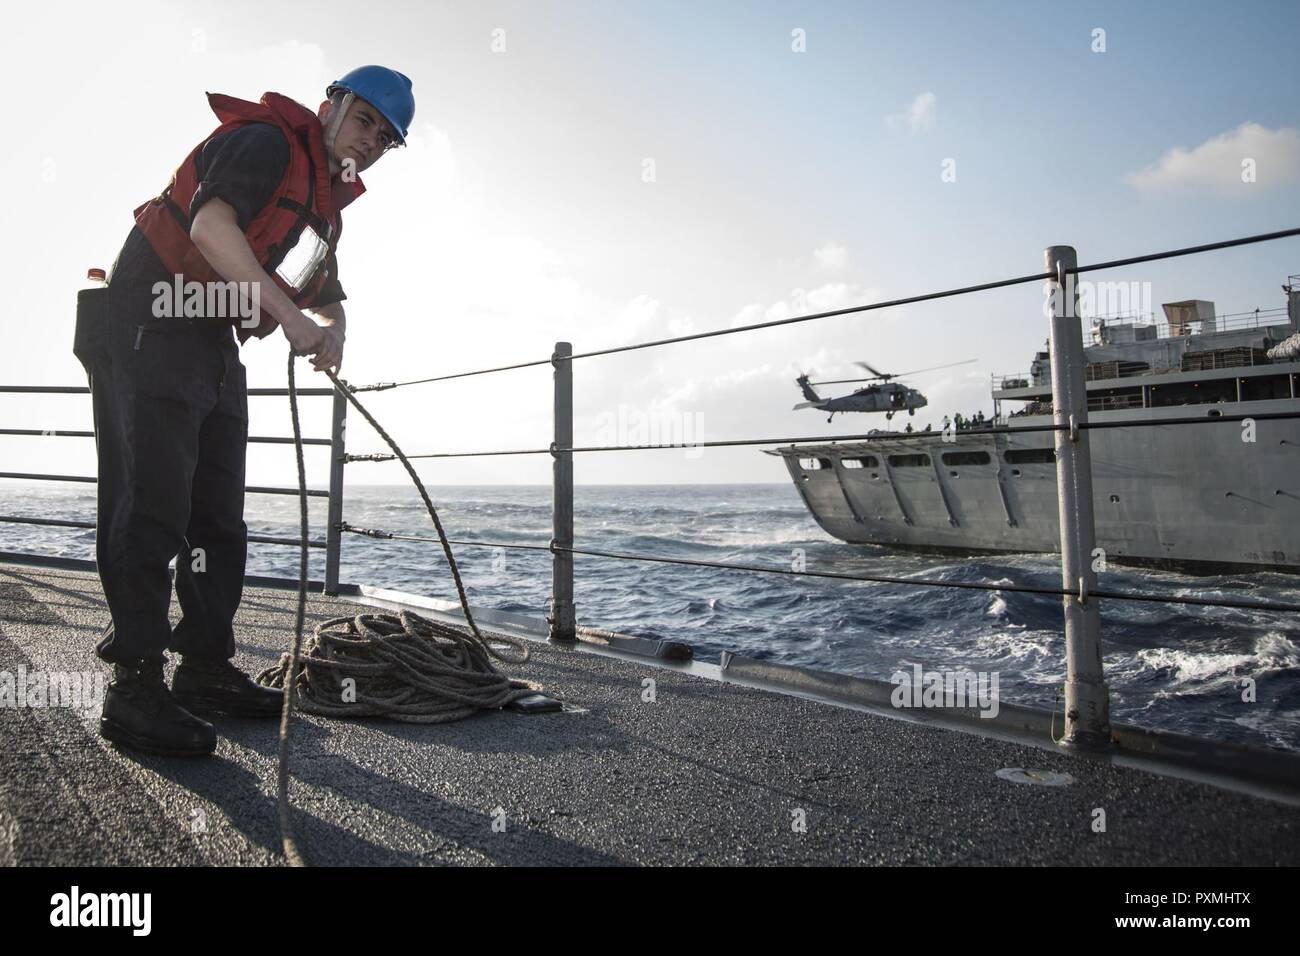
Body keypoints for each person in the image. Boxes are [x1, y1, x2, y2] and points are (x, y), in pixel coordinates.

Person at [77, 66, 415, 757]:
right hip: (147, 316)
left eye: (385, 137)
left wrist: (333, 330)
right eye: (363, 121)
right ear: (330, 107)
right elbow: (210, 226)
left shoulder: (325, 206)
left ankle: (204, 668)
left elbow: (326, 290)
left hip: (211, 339)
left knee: (219, 519)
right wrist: (290, 318)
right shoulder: (265, 143)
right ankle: (135, 687)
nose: (370, 141)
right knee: (151, 507)